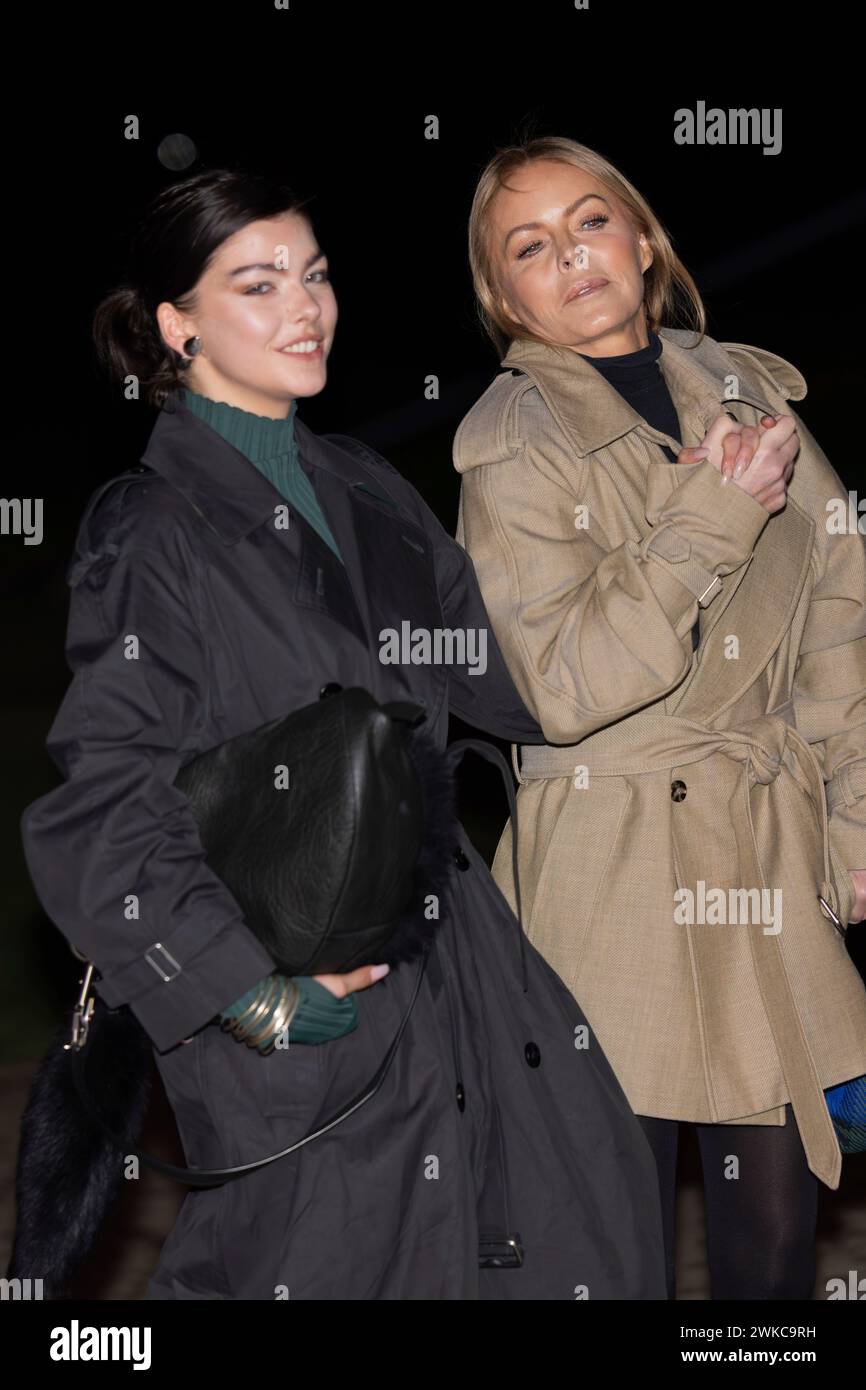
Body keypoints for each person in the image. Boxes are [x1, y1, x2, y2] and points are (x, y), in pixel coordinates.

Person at [18, 166, 667, 1301]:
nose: (305, 307)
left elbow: (515, 688)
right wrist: (239, 989)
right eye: (258, 285)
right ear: (177, 326)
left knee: (572, 1230)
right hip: (292, 984)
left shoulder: (361, 484)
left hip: (459, 958)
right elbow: (103, 806)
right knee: (322, 1259)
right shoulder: (152, 531)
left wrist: (679, 531)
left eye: (313, 276)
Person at [453, 136, 866, 1301]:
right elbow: (562, 684)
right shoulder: (511, 449)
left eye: (589, 221)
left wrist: (853, 821)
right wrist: (711, 515)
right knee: (610, 1249)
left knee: (776, 1245)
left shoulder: (748, 392)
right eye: (527, 246)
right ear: (505, 294)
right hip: (607, 873)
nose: (568, 255)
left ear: (640, 242)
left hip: (761, 863)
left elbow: (840, 615)